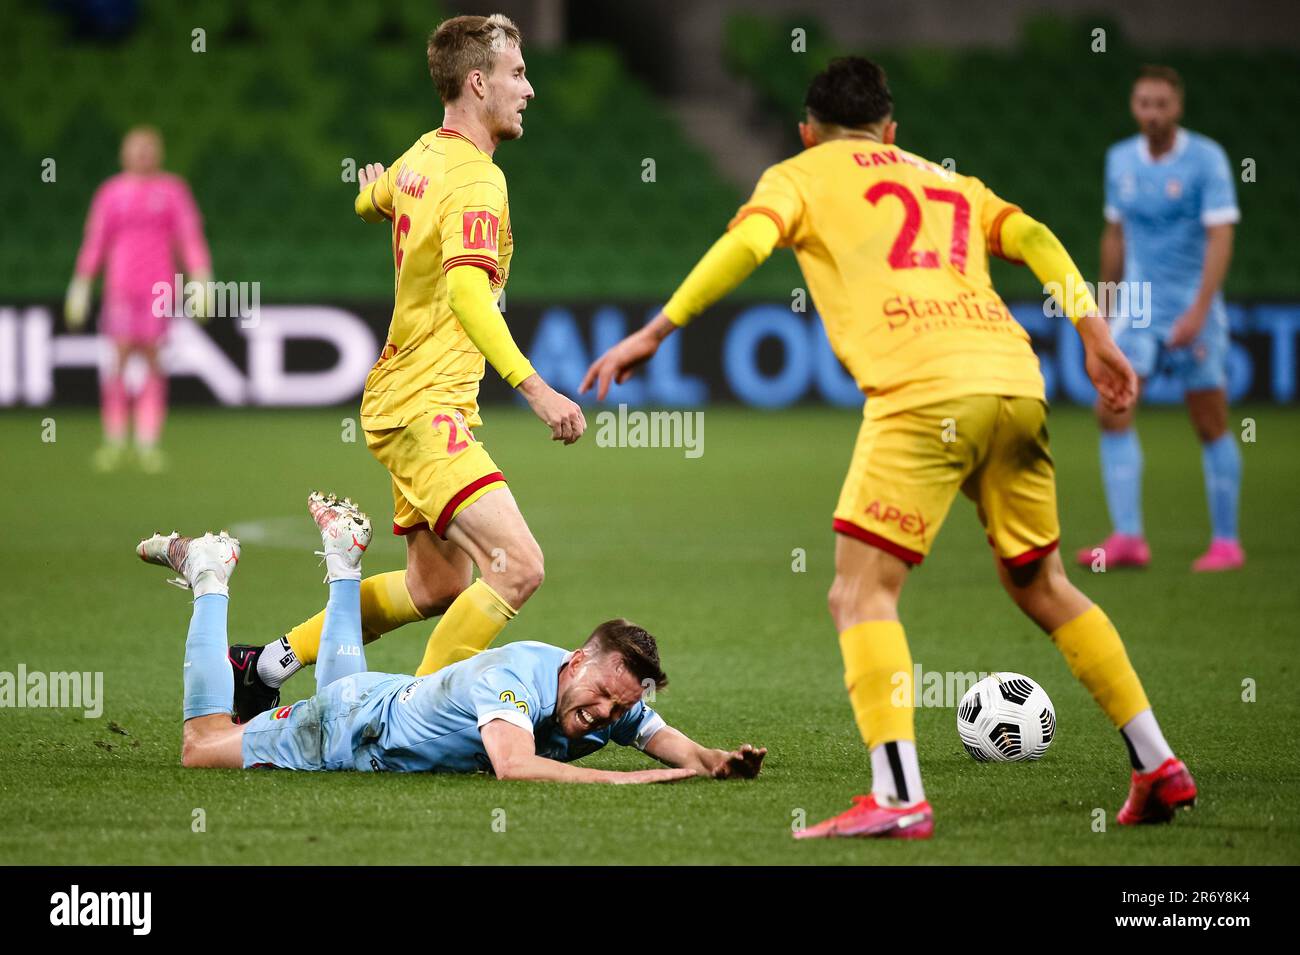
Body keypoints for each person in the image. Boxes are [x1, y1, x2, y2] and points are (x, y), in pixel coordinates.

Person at [582, 57, 1195, 838]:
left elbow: (745, 247)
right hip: (1015, 382)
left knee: (860, 595)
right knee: (1044, 583)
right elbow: (1037, 236)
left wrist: (654, 331)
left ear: (808, 131)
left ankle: (899, 795)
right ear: (892, 131)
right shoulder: (951, 183)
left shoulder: (798, 175)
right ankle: (1156, 762)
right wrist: (1095, 333)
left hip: (923, 391)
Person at [232, 15, 587, 719]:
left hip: (399, 397)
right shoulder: (478, 181)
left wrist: (368, 196)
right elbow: (467, 292)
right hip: (427, 405)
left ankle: (263, 663)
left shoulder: (425, 153)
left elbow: (377, 196)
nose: (530, 89)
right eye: (517, 74)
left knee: (436, 587)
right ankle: (417, 720)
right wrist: (536, 387)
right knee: (518, 565)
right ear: (478, 82)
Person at [139, 492, 766, 782]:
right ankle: (210, 575)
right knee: (202, 747)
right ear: (577, 661)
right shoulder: (515, 680)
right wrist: (643, 780)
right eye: (604, 694)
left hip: (372, 701)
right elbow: (517, 769)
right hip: (359, 733)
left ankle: (343, 566)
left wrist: (716, 762)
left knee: (342, 692)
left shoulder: (603, 697)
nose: (606, 714)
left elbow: (671, 742)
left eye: (621, 707)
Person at [1076, 65, 1244, 572]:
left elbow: (1220, 236)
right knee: (1111, 409)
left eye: (1161, 104)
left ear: (1178, 107)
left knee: (1209, 419)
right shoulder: (1119, 160)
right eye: (1144, 104)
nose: (1152, 113)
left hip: (1193, 305)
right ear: (1134, 107)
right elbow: (1115, 235)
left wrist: (1199, 309)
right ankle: (1128, 538)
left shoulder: (1207, 160)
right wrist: (1104, 307)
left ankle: (1226, 542)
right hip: (1139, 306)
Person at [66, 125, 211, 473]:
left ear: (158, 153)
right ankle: (114, 440)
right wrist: (82, 281)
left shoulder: (174, 191)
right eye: (137, 147)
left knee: (153, 361)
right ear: (124, 153)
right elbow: (96, 241)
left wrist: (202, 276)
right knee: (117, 360)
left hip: (159, 289)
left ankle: (148, 442)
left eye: (150, 147)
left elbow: (189, 237)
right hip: (120, 289)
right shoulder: (111, 193)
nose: (144, 153)